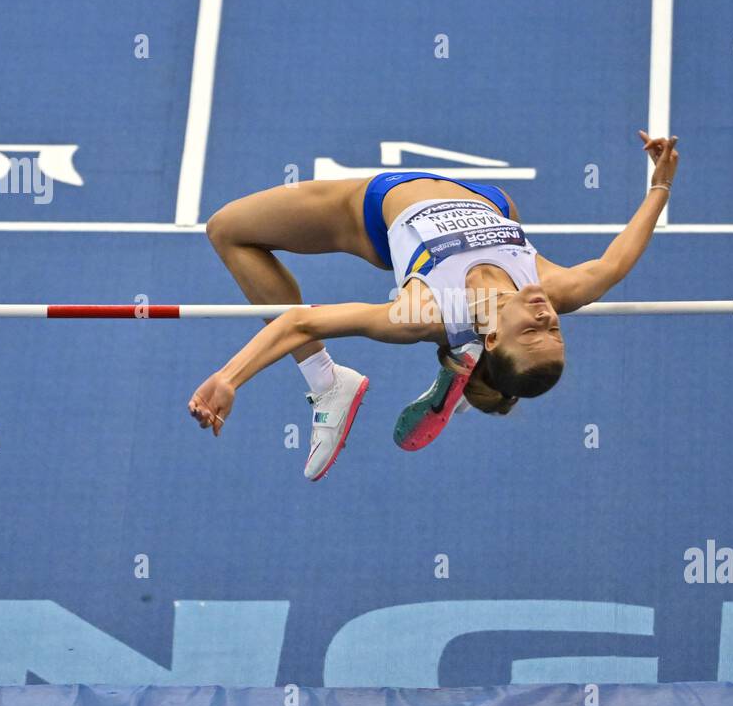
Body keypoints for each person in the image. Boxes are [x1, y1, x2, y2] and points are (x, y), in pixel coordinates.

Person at [188, 132, 679, 479]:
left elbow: (300, 321)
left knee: (227, 229)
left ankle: (328, 382)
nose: (546, 318)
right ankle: (459, 363)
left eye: (532, 332)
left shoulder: (420, 314)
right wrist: (660, 184)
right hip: (487, 201)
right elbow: (617, 262)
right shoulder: (553, 290)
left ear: (495, 339)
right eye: (554, 331)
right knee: (502, 240)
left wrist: (230, 378)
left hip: (376, 211)